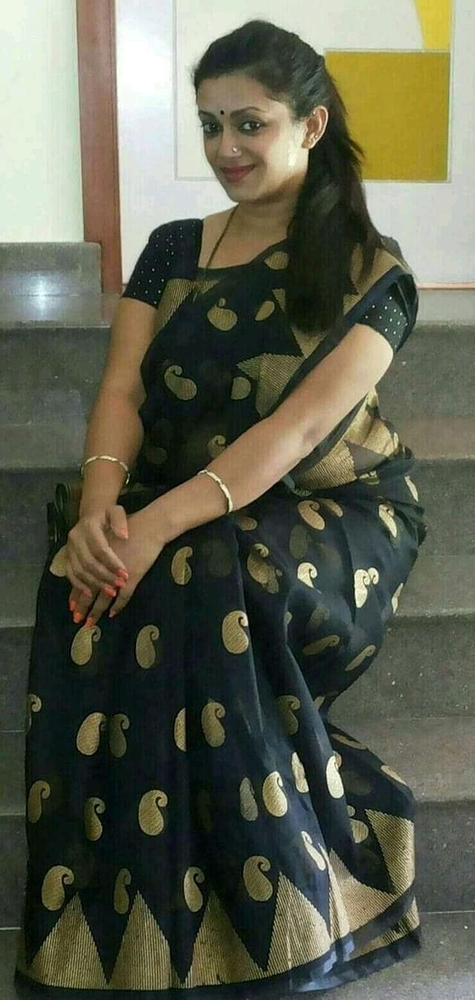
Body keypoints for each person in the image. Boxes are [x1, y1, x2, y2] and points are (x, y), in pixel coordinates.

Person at [15, 19, 426, 999]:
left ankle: (268, 909)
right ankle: (120, 914)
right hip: (176, 486)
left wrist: (152, 528)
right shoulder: (172, 249)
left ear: (310, 125)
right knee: (87, 571)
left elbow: (293, 433)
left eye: (250, 122)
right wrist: (103, 509)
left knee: (203, 570)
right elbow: (121, 387)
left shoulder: (375, 275)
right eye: (210, 125)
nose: (226, 147)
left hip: (333, 508)